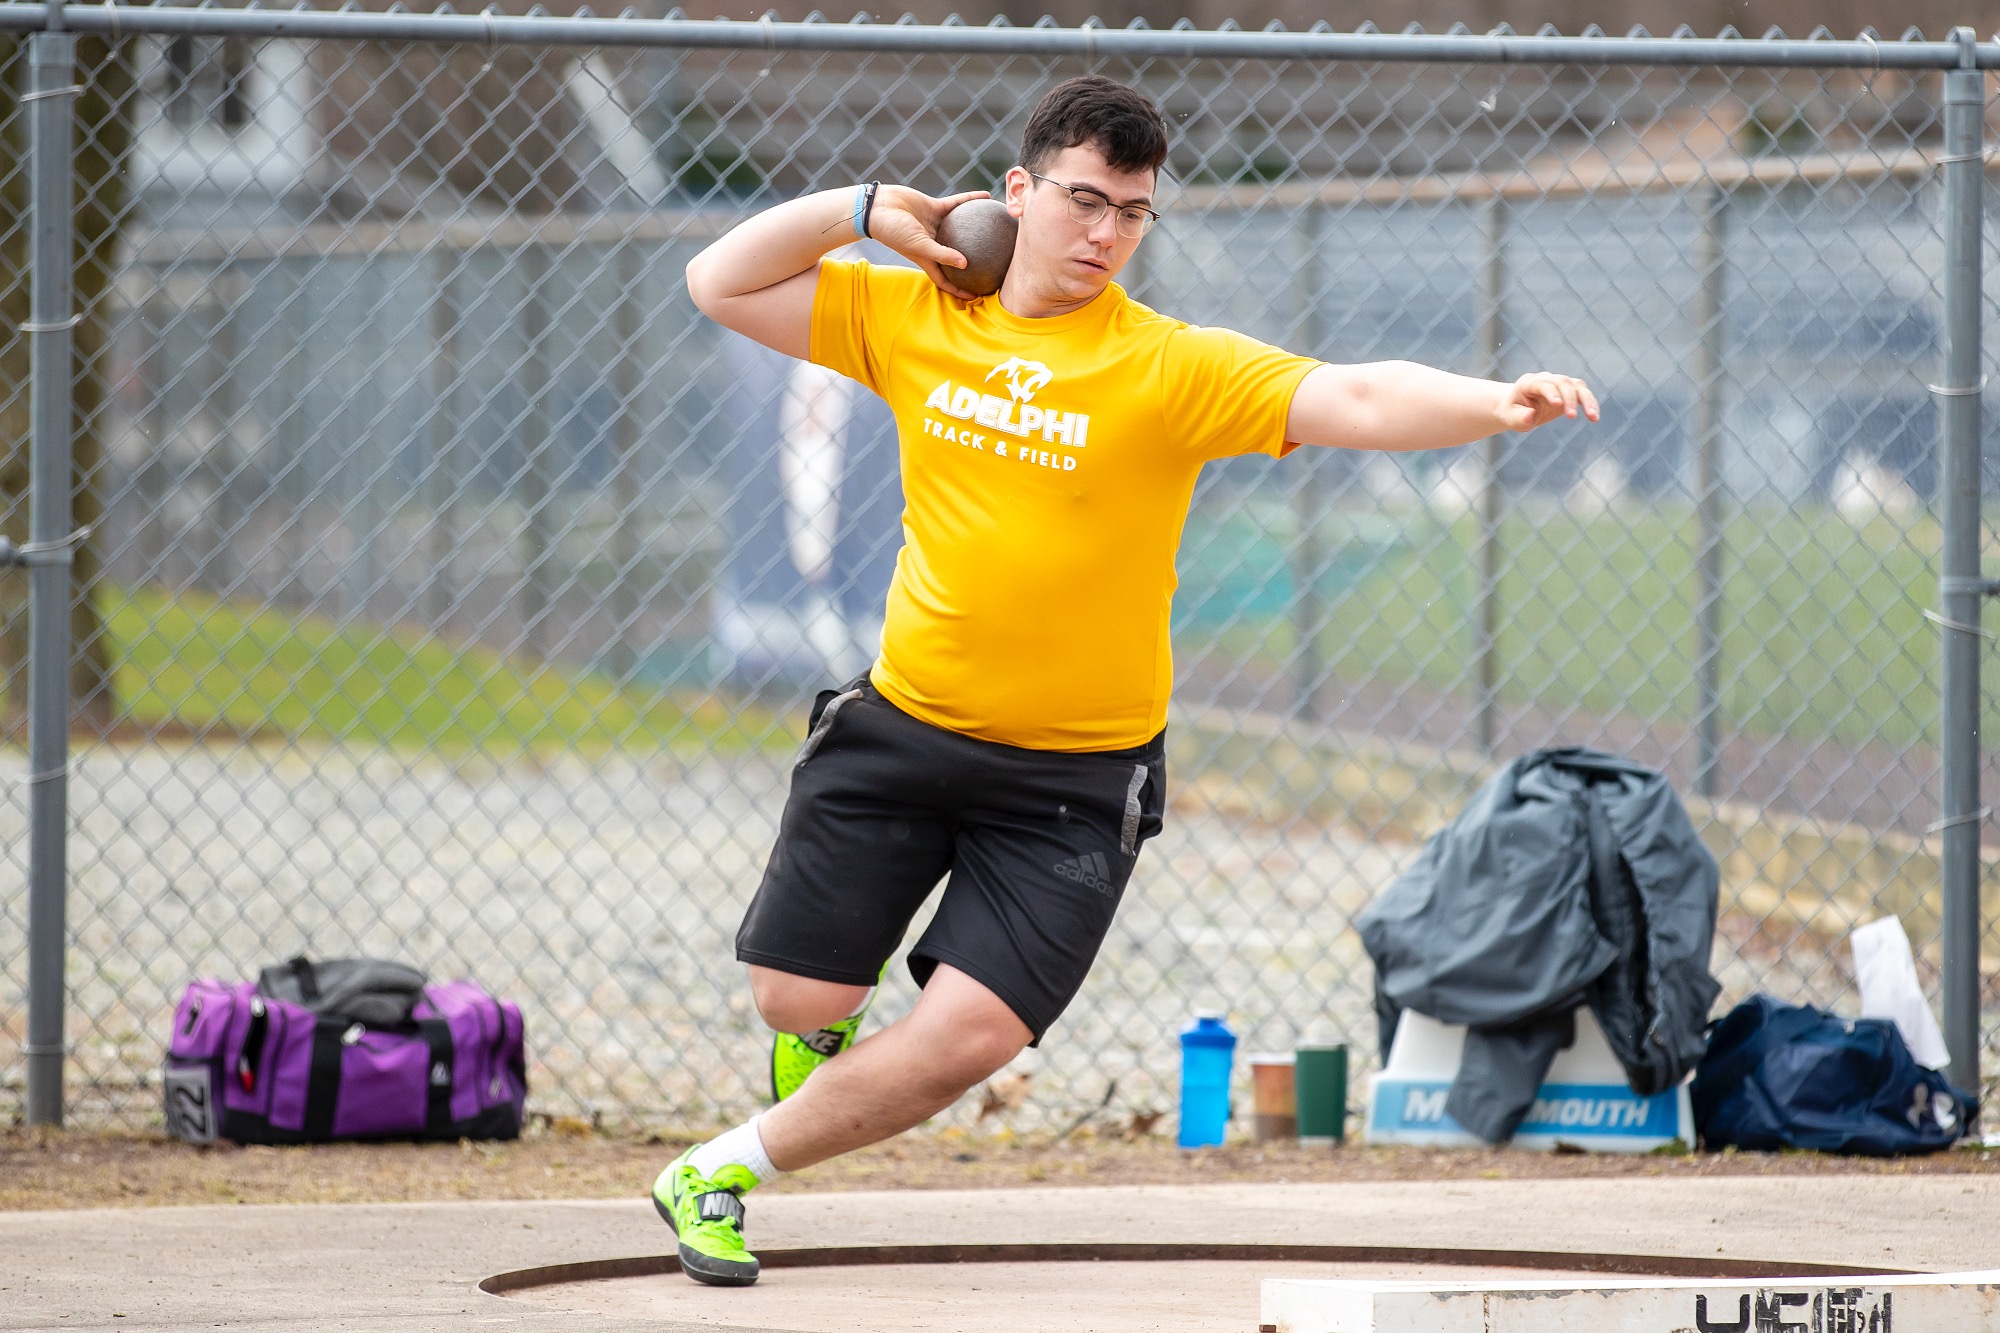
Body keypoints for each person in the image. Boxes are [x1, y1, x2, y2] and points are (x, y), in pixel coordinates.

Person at [658, 74, 1599, 1286]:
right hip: (903, 725)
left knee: (968, 1038)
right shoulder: (914, 317)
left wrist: (1493, 404)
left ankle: (717, 1172)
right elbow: (718, 280)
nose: (1104, 235)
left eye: (1132, 213)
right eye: (1083, 202)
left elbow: (1352, 393)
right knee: (792, 999)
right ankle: (822, 1034)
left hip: (1072, 777)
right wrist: (865, 207)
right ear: (1017, 193)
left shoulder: (1166, 366)